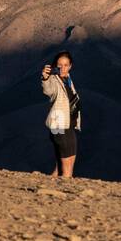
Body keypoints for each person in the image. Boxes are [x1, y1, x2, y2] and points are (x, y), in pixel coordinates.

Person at [40, 49, 81, 178]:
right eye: (59, 65)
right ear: (55, 66)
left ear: (70, 66)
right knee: (66, 170)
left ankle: (50, 185)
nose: (62, 68)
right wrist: (45, 78)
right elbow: (48, 90)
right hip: (59, 124)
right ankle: (64, 187)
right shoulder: (53, 79)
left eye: (65, 65)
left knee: (61, 167)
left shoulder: (68, 79)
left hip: (69, 124)